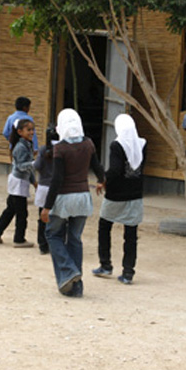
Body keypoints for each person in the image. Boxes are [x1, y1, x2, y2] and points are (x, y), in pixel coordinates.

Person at [40, 109, 105, 298]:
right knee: (75, 239)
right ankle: (76, 287)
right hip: (83, 198)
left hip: (63, 199)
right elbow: (98, 167)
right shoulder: (89, 144)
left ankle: (68, 271)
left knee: (52, 235)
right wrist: (101, 180)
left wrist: (47, 206)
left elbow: (57, 180)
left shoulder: (60, 148)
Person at [92, 114, 147, 285]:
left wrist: (103, 180)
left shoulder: (117, 145)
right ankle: (128, 272)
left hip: (116, 195)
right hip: (135, 194)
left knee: (104, 226)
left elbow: (115, 170)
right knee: (130, 234)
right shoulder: (143, 144)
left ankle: (105, 264)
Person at [0, 118, 36, 247]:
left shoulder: (27, 144)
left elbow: (27, 168)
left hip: (20, 180)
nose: (32, 132)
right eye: (29, 130)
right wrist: (35, 164)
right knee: (22, 213)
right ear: (20, 132)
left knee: (11, 209)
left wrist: (34, 181)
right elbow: (22, 166)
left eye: (33, 129)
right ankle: (19, 239)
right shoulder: (21, 147)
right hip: (19, 182)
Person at [33, 125, 59, 255]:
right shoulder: (62, 150)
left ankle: (42, 245)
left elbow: (37, 166)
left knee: (42, 217)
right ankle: (54, 243)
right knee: (56, 217)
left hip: (43, 187)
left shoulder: (43, 150)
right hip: (57, 188)